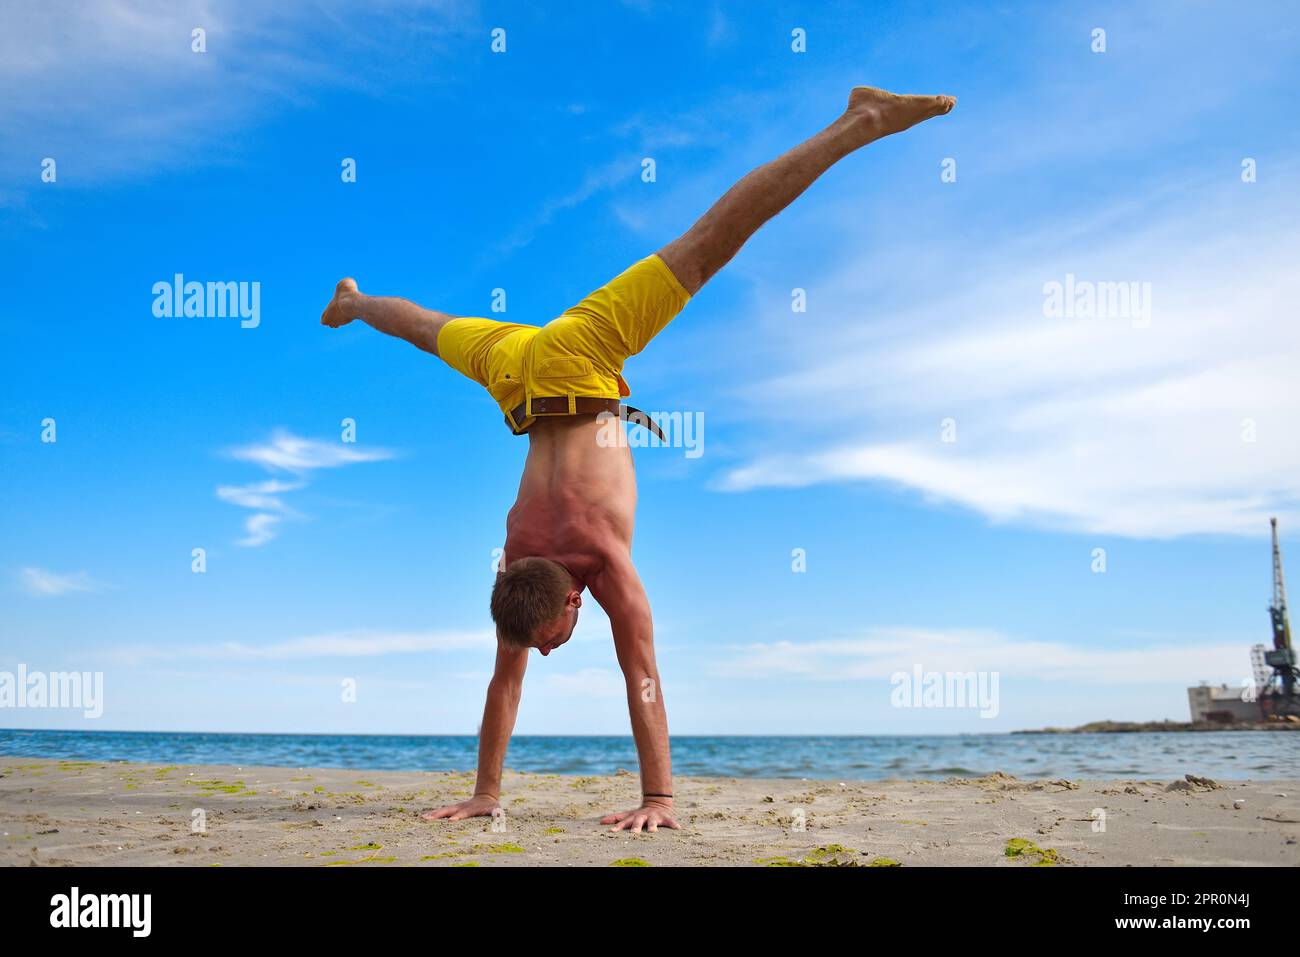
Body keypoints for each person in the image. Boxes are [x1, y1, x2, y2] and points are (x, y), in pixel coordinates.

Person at [320, 86, 955, 832]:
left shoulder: (598, 560)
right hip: (517, 373)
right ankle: (354, 301)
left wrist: (659, 800)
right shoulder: (519, 568)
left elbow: (639, 676)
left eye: (550, 641)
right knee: (431, 329)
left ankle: (861, 119)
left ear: (569, 600)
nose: (546, 654)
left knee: (711, 241)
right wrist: (484, 794)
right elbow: (508, 676)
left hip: (577, 358)